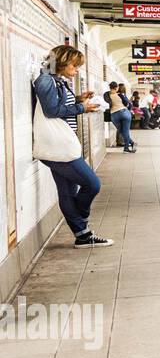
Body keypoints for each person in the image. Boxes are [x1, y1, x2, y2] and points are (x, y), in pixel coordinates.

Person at [32, 45, 113, 248]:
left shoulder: (57, 80)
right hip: (58, 145)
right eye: (74, 65)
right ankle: (80, 220)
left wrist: (79, 99)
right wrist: (81, 107)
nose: (76, 70)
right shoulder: (46, 80)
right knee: (92, 184)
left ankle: (82, 235)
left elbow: (58, 104)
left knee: (67, 192)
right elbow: (52, 111)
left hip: (60, 144)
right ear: (62, 61)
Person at [107, 83, 136, 153]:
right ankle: (126, 148)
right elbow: (128, 104)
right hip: (124, 112)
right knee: (125, 131)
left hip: (114, 114)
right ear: (116, 88)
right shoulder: (120, 94)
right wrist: (128, 109)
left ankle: (131, 143)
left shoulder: (107, 95)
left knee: (121, 131)